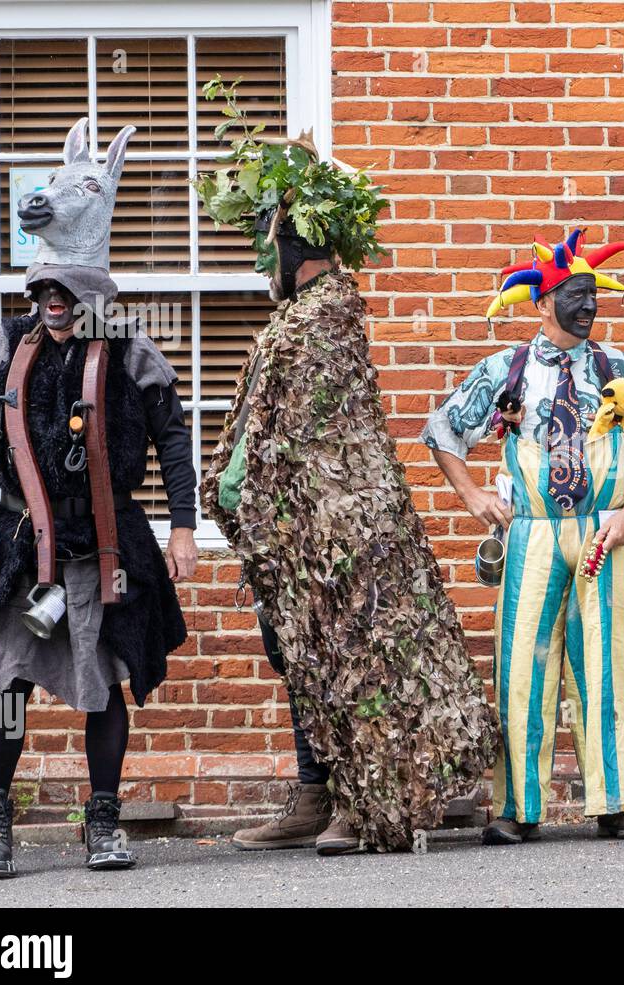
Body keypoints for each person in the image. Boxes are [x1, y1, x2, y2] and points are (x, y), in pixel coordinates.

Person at [197, 113, 497, 855]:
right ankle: (316, 789)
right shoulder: (298, 313)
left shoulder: (326, 313)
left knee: (349, 656)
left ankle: (364, 802)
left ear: (294, 235)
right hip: (294, 535)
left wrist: (257, 490)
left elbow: (311, 431)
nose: (261, 248)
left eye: (268, 230)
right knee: (298, 653)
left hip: (334, 535)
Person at [0, 118, 195, 877]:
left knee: (105, 683)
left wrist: (183, 527)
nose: (54, 301)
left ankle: (103, 822)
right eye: (45, 289)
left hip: (104, 547)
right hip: (22, 547)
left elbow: (175, 440)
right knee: (4, 681)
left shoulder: (131, 348)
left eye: (68, 291)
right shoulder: (3, 346)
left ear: (89, 291)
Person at [423, 227, 624, 844]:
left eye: (592, 294)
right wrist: (475, 497)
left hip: (601, 535)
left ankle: (616, 801)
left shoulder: (623, 369)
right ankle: (515, 807)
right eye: (573, 295)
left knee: (606, 666)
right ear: (541, 304)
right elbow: (443, 431)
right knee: (522, 670)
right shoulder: (503, 369)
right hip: (531, 536)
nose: (587, 305)